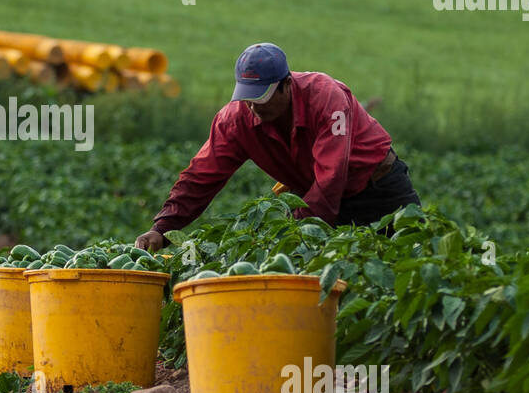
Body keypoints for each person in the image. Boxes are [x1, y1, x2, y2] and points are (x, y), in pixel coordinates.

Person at [136, 43, 420, 250]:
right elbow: (200, 178)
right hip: (313, 197)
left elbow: (332, 176)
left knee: (405, 262)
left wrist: (297, 233)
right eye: (247, 97)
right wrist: (162, 229)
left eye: (262, 97)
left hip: (378, 192)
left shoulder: (326, 98)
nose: (253, 106)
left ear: (286, 85)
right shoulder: (235, 120)